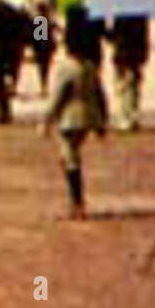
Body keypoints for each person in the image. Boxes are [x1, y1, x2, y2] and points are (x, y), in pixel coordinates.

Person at [43, 28, 109, 218]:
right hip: (89, 117)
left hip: (70, 119)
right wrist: (102, 121)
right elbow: (100, 95)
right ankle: (76, 201)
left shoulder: (66, 69)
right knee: (69, 156)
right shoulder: (90, 67)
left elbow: (57, 97)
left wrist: (47, 120)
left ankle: (77, 203)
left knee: (70, 158)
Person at [108, 14, 150, 132]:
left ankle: (124, 118)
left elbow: (114, 34)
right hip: (136, 55)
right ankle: (132, 117)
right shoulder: (141, 15)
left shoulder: (121, 14)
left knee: (123, 88)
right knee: (134, 88)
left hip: (123, 54)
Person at [27, 0, 58, 96]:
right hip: (45, 45)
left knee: (43, 67)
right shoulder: (45, 19)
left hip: (41, 45)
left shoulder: (38, 19)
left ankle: (43, 85)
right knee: (45, 67)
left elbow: (37, 35)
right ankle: (44, 85)